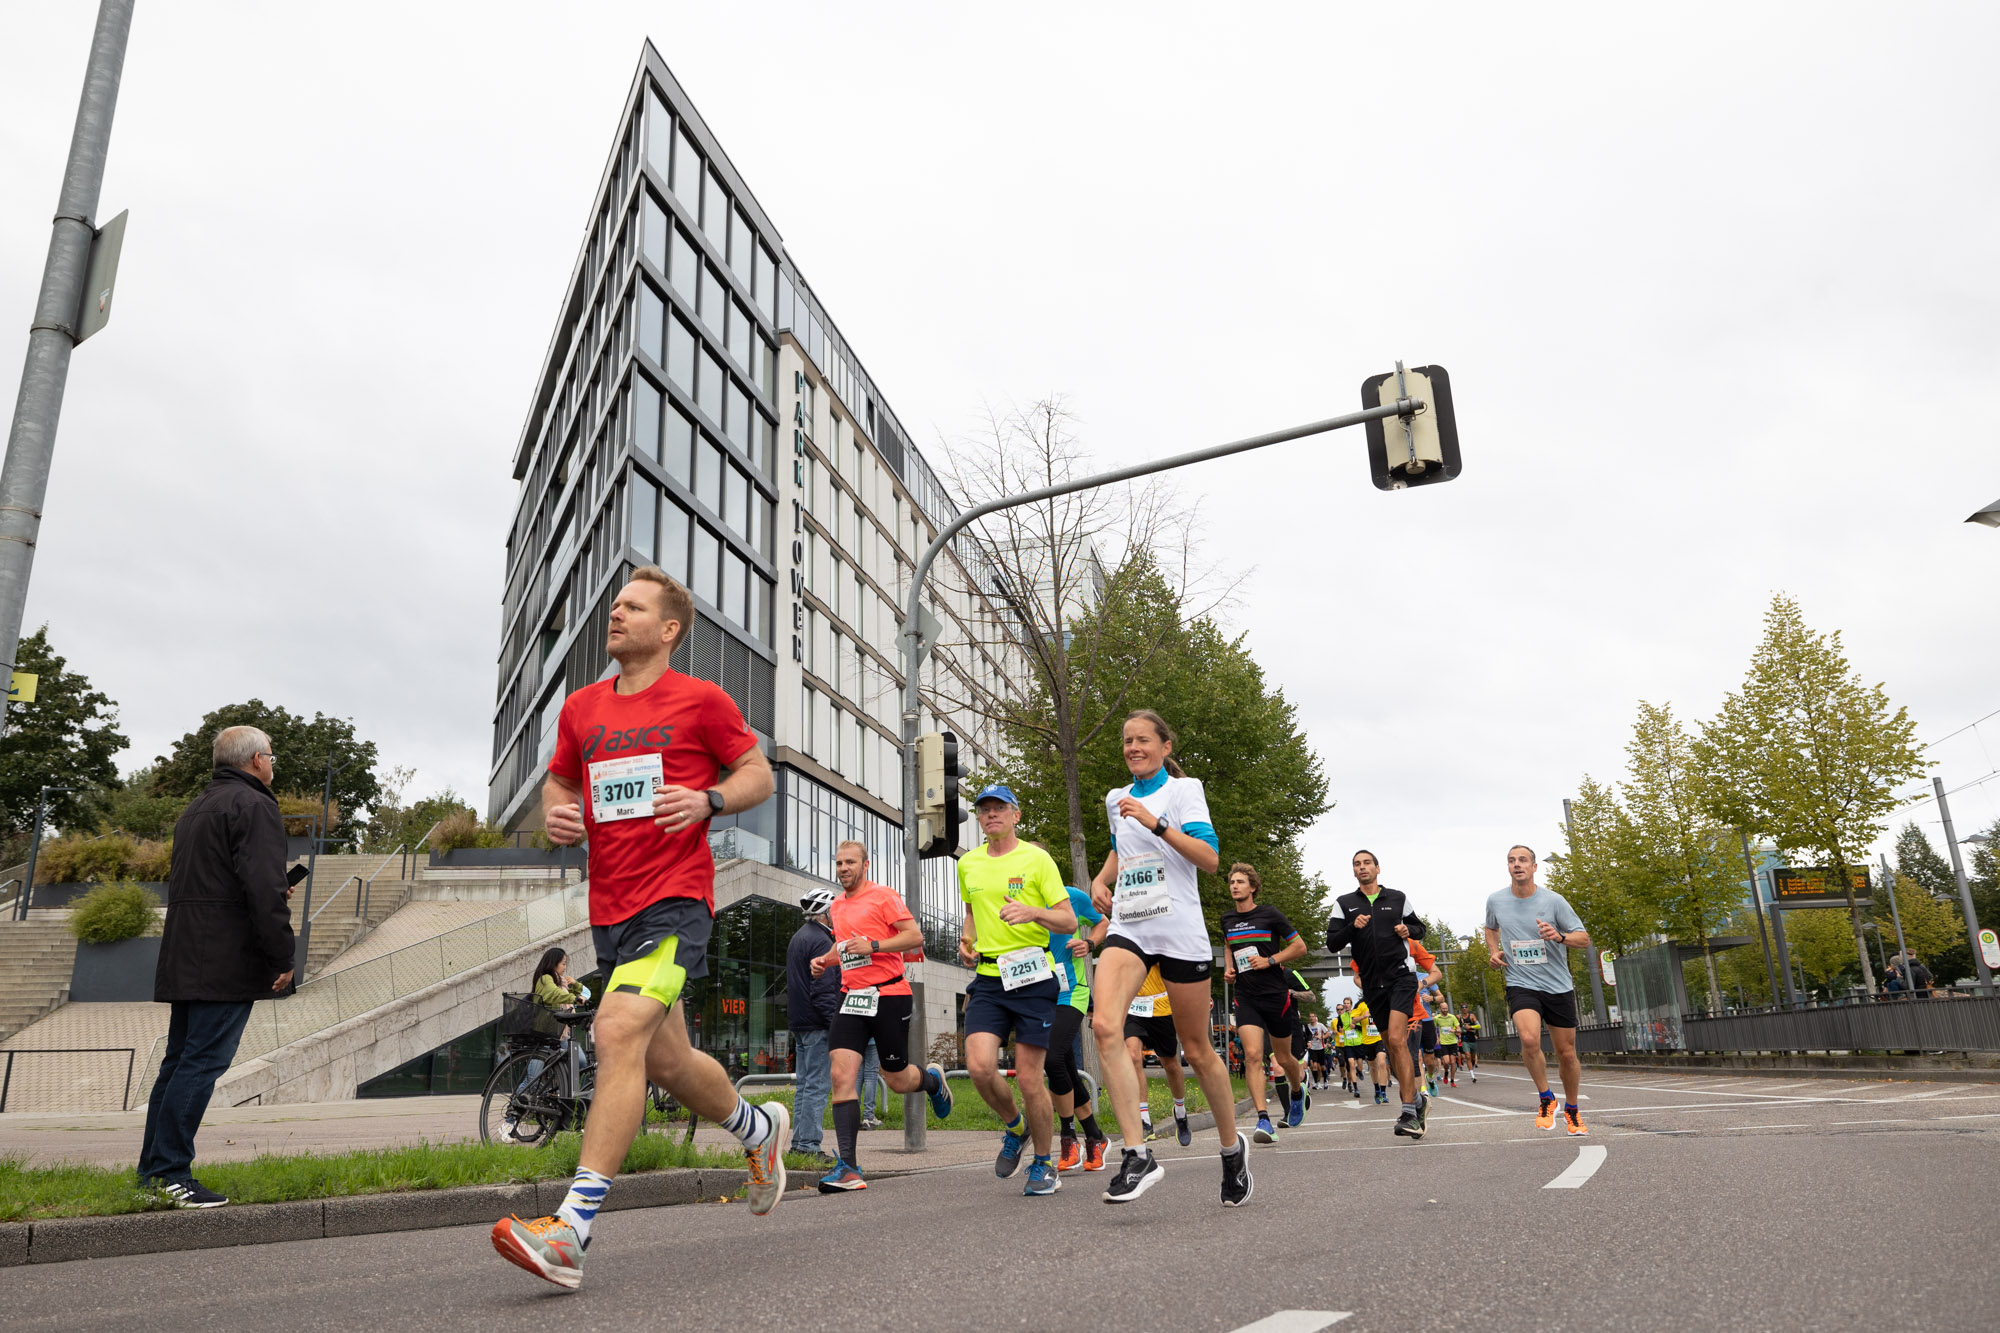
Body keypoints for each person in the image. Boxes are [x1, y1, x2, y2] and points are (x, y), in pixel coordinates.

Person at [492, 568, 788, 1291]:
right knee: (667, 1062)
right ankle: (759, 1130)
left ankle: (571, 1230)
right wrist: (559, 813)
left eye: (633, 605)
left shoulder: (701, 701)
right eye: (616, 603)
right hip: (611, 909)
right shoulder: (582, 709)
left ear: (669, 629)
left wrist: (709, 797)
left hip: (675, 901)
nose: (615, 612)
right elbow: (561, 782)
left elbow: (759, 773)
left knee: (616, 1031)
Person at [1089, 710, 1250, 1206]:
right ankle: (1137, 1155)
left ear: (1163, 746)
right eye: (1126, 741)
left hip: (1178, 930)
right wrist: (1101, 879)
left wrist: (1156, 822)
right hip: (1131, 926)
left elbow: (1209, 858)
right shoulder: (1118, 799)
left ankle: (1230, 1150)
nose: (1132, 747)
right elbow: (1122, 850)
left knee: (1197, 1051)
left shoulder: (1184, 791)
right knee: (1105, 1028)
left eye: (1142, 740)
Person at [140, 725, 297, 1208]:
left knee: (178, 1062)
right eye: (271, 756)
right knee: (201, 1064)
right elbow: (263, 890)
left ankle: (153, 1173)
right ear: (254, 761)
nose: (273, 764)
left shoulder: (197, 807)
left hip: (189, 953)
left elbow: (219, 882)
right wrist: (282, 955)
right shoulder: (254, 806)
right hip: (225, 959)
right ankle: (169, 1173)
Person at [955, 785, 1078, 1196]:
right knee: (979, 1067)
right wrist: (966, 940)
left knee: (1029, 1079)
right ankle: (1015, 1127)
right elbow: (972, 915)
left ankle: (1044, 1164)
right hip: (989, 979)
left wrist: (1033, 912)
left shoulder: (1037, 859)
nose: (992, 815)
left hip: (1031, 975)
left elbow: (1068, 922)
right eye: (984, 810)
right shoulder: (968, 864)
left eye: (999, 808)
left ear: (1015, 815)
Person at [811, 841, 953, 1191]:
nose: (843, 868)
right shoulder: (838, 905)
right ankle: (848, 1167)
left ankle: (932, 1081)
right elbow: (844, 944)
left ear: (866, 864)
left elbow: (914, 936)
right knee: (841, 1074)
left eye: (850, 862)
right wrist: (825, 961)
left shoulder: (883, 896)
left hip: (890, 995)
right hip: (851, 998)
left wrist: (874, 946)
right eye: (839, 862)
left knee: (897, 1079)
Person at [1484, 844, 1591, 1136]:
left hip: (1557, 985)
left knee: (1566, 1053)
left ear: (1534, 867)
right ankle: (1546, 1098)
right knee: (1529, 1039)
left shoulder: (1554, 901)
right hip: (1521, 982)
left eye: (1522, 860)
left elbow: (1584, 939)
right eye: (1511, 861)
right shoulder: (1496, 900)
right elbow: (1490, 927)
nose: (1516, 865)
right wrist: (1493, 951)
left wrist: (1559, 936)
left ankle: (1571, 1108)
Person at [1325, 849, 1429, 1139]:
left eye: (1367, 863)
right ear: (1354, 871)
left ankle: (1408, 1111)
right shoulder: (1344, 904)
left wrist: (1407, 929)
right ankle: (1419, 1102)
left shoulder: (1396, 898)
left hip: (1400, 976)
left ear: (1377, 868)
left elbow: (1420, 928)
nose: (1362, 868)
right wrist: (1351, 927)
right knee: (1392, 1048)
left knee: (1397, 1039)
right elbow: (1332, 942)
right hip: (1372, 984)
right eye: (1357, 864)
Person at [1220, 862, 1309, 1142]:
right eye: (1232, 882)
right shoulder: (1227, 919)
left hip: (1275, 995)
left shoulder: (1269, 914)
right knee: (1254, 1056)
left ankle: (1297, 1092)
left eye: (1240, 882)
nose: (1234, 886)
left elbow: (1299, 946)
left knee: (1284, 1059)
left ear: (1253, 887)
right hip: (1246, 996)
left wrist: (1270, 960)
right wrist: (1229, 968)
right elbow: (1228, 945)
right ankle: (1263, 1120)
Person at [1046, 874, 1111, 1172]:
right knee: (1065, 1067)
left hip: (1071, 991)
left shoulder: (1071, 896)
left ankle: (1068, 1137)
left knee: (1052, 1058)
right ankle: (1095, 1137)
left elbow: (1103, 922)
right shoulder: (1014, 902)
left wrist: (1089, 942)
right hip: (1034, 994)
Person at [785, 888, 842, 1162]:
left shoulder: (798, 937)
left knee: (805, 1085)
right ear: (826, 913)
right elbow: (824, 989)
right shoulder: (822, 942)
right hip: (818, 1023)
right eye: (834, 912)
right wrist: (836, 1025)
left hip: (799, 1021)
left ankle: (799, 1142)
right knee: (817, 1086)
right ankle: (808, 1145)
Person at [1119, 957, 1192, 1145]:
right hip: (1133, 1007)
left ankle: (1181, 1112)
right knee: (1133, 1056)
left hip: (1161, 1006)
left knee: (1170, 1063)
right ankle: (1144, 1120)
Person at [1434, 998, 1461, 1088]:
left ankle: (1452, 1080)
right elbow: (1434, 1029)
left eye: (1446, 1008)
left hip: (1453, 1042)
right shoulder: (1437, 1018)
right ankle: (1446, 1072)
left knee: (1453, 1062)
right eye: (1443, 1009)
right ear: (1440, 1008)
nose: (1445, 1010)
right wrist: (1436, 1037)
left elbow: (1459, 1029)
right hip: (1444, 1043)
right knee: (1446, 1062)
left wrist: (1455, 1030)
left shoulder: (1452, 1017)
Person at [1459, 1006, 1482, 1080]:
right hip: (1464, 1039)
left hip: (1472, 1039)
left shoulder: (1471, 1016)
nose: (1464, 1009)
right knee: (1468, 1056)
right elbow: (1455, 1026)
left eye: (1465, 1007)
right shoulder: (1459, 1017)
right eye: (1463, 1008)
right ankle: (1472, 1075)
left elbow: (1479, 1026)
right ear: (1461, 1009)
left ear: (1467, 1009)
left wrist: (1471, 1027)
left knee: (1472, 1058)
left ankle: (1472, 1068)